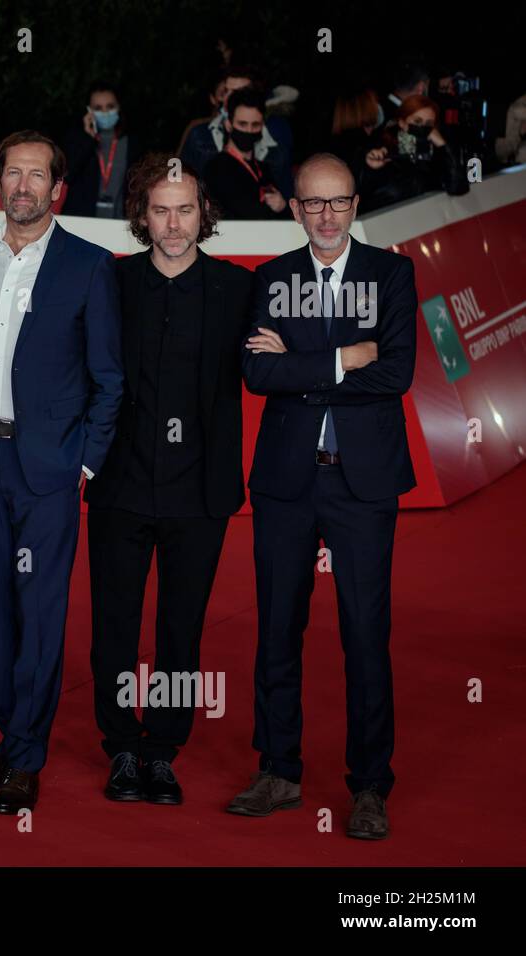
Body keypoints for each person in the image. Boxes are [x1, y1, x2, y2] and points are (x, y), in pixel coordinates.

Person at [230, 153, 417, 841]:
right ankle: (277, 769)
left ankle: (370, 785)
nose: (326, 215)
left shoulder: (392, 274)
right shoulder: (272, 279)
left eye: (337, 202)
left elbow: (396, 372)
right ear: (295, 209)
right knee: (278, 626)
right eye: (312, 203)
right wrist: (345, 358)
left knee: (366, 635)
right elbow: (256, 370)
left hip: (363, 482)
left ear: (356, 203)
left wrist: (300, 368)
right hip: (286, 480)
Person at [0, 130, 123, 815]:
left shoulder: (88, 265)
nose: (22, 185)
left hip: (47, 466)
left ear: (58, 189)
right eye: (12, 173)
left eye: (36, 175)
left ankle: (26, 755)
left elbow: (110, 380)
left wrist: (82, 462)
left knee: (40, 611)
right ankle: (10, 736)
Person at [85, 155, 252, 805]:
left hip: (200, 491)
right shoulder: (113, 281)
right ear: (142, 216)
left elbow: (273, 364)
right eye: (161, 209)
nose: (174, 223)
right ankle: (121, 746)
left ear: (203, 214)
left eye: (185, 209)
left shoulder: (237, 290)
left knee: (182, 629)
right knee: (115, 625)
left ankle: (162, 750)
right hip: (121, 485)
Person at [179, 65, 294, 200]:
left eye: (240, 92)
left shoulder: (276, 134)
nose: (230, 98)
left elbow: (286, 191)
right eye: (226, 92)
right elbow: (182, 186)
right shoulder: (200, 135)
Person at [359, 94, 467, 213]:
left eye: (429, 124)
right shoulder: (383, 150)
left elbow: (458, 188)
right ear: (402, 122)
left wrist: (442, 145)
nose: (422, 128)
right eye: (417, 121)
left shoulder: (438, 153)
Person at [203, 87, 289, 220]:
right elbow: (247, 214)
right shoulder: (217, 169)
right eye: (242, 124)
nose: (249, 130)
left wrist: (283, 206)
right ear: (228, 125)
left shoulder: (264, 169)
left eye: (255, 125)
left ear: (262, 126)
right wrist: (281, 208)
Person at [61, 82, 141, 218]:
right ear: (89, 111)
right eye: (98, 108)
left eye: (110, 107)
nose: (105, 112)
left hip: (121, 222)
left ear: (118, 107)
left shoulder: (132, 142)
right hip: (81, 220)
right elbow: (67, 175)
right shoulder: (76, 138)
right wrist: (87, 139)